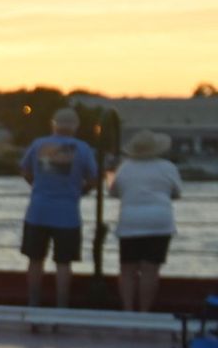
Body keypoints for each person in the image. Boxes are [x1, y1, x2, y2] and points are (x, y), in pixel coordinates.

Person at [19, 106, 99, 314]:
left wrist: (38, 187)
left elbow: (25, 170)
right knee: (64, 263)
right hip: (68, 215)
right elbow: (93, 178)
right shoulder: (83, 149)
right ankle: (62, 307)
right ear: (75, 127)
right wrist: (79, 192)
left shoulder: (38, 145)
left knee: (35, 260)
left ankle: (33, 303)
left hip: (38, 211)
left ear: (53, 125)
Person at [109, 130, 182, 313]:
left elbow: (113, 191)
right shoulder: (167, 167)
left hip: (130, 222)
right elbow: (177, 192)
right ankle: (144, 311)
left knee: (128, 269)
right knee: (150, 270)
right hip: (159, 221)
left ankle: (127, 310)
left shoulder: (125, 167)